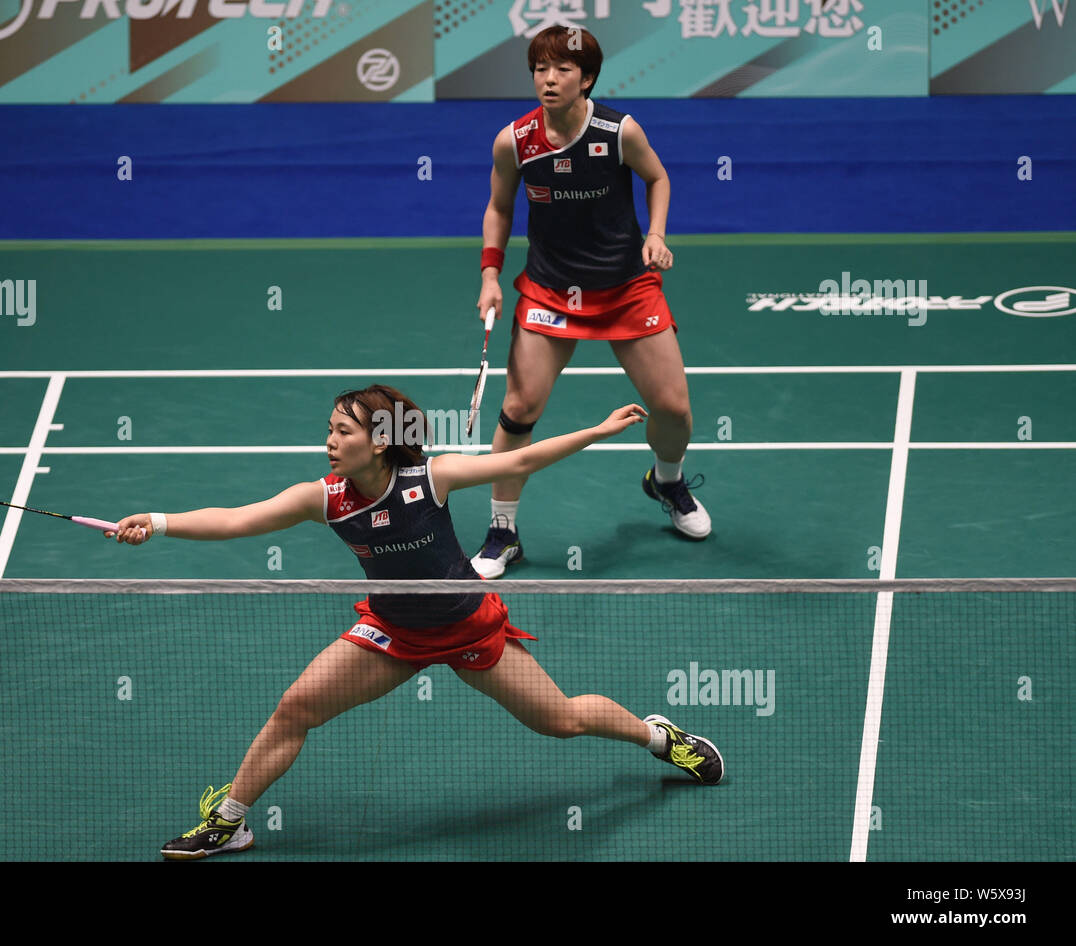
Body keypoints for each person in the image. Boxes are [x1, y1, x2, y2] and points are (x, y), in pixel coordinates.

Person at [109, 384, 724, 860]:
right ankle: (230, 822)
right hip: (392, 635)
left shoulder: (431, 478)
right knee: (295, 707)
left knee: (559, 720)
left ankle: (660, 738)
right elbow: (238, 519)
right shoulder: (323, 498)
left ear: (378, 441)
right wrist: (157, 521)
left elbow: (526, 456)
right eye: (328, 429)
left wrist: (597, 429)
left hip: (468, 629)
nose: (329, 440)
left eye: (342, 431)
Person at [471, 24, 710, 580]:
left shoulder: (618, 131)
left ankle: (667, 482)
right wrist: (489, 274)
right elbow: (499, 209)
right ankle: (503, 529)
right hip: (551, 290)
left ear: (588, 79)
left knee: (674, 409)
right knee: (519, 408)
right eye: (539, 69)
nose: (548, 80)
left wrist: (657, 234)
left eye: (562, 70)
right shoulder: (514, 141)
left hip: (626, 286)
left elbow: (657, 177)